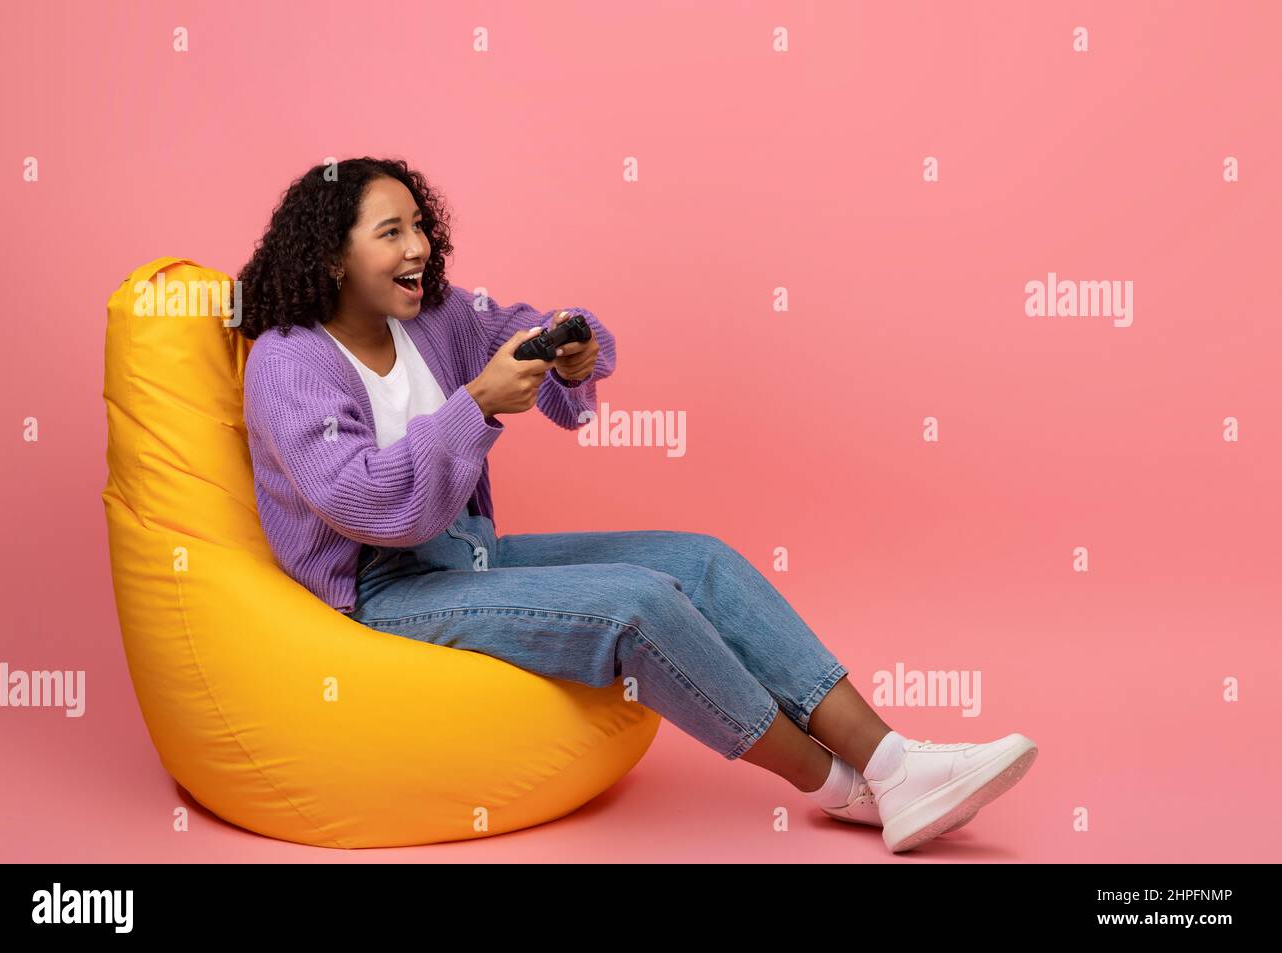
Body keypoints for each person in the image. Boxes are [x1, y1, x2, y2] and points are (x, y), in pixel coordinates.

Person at [237, 156, 1038, 853]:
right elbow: (364, 503)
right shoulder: (288, 364)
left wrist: (575, 350)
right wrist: (476, 404)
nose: (417, 247)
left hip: (469, 550)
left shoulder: (434, 315)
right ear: (333, 256)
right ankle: (844, 788)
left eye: (419, 225)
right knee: (636, 604)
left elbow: (526, 327)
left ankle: (899, 762)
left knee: (699, 559)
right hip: (385, 588)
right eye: (390, 232)